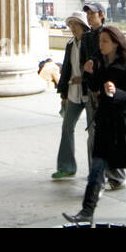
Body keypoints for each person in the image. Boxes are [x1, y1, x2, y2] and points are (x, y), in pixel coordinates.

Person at [63, 25, 126, 223]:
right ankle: (86, 212)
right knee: (96, 168)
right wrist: (89, 73)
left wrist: (115, 92)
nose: (100, 45)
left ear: (116, 43)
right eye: (100, 41)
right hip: (105, 123)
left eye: (105, 41)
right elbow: (94, 87)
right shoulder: (100, 62)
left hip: (124, 125)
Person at [80, 2, 124, 189]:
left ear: (102, 15)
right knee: (93, 134)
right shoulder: (86, 37)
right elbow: (84, 63)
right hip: (92, 89)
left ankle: (116, 176)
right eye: (88, 14)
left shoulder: (110, 34)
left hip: (105, 90)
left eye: (93, 13)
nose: (89, 16)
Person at [52, 13, 89, 180]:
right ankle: (66, 167)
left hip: (89, 94)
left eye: (75, 24)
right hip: (74, 93)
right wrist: (64, 94)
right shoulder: (70, 44)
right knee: (67, 128)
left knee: (95, 133)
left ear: (83, 25)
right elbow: (66, 68)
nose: (72, 28)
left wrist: (83, 79)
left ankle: (97, 170)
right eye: (71, 24)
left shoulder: (91, 43)